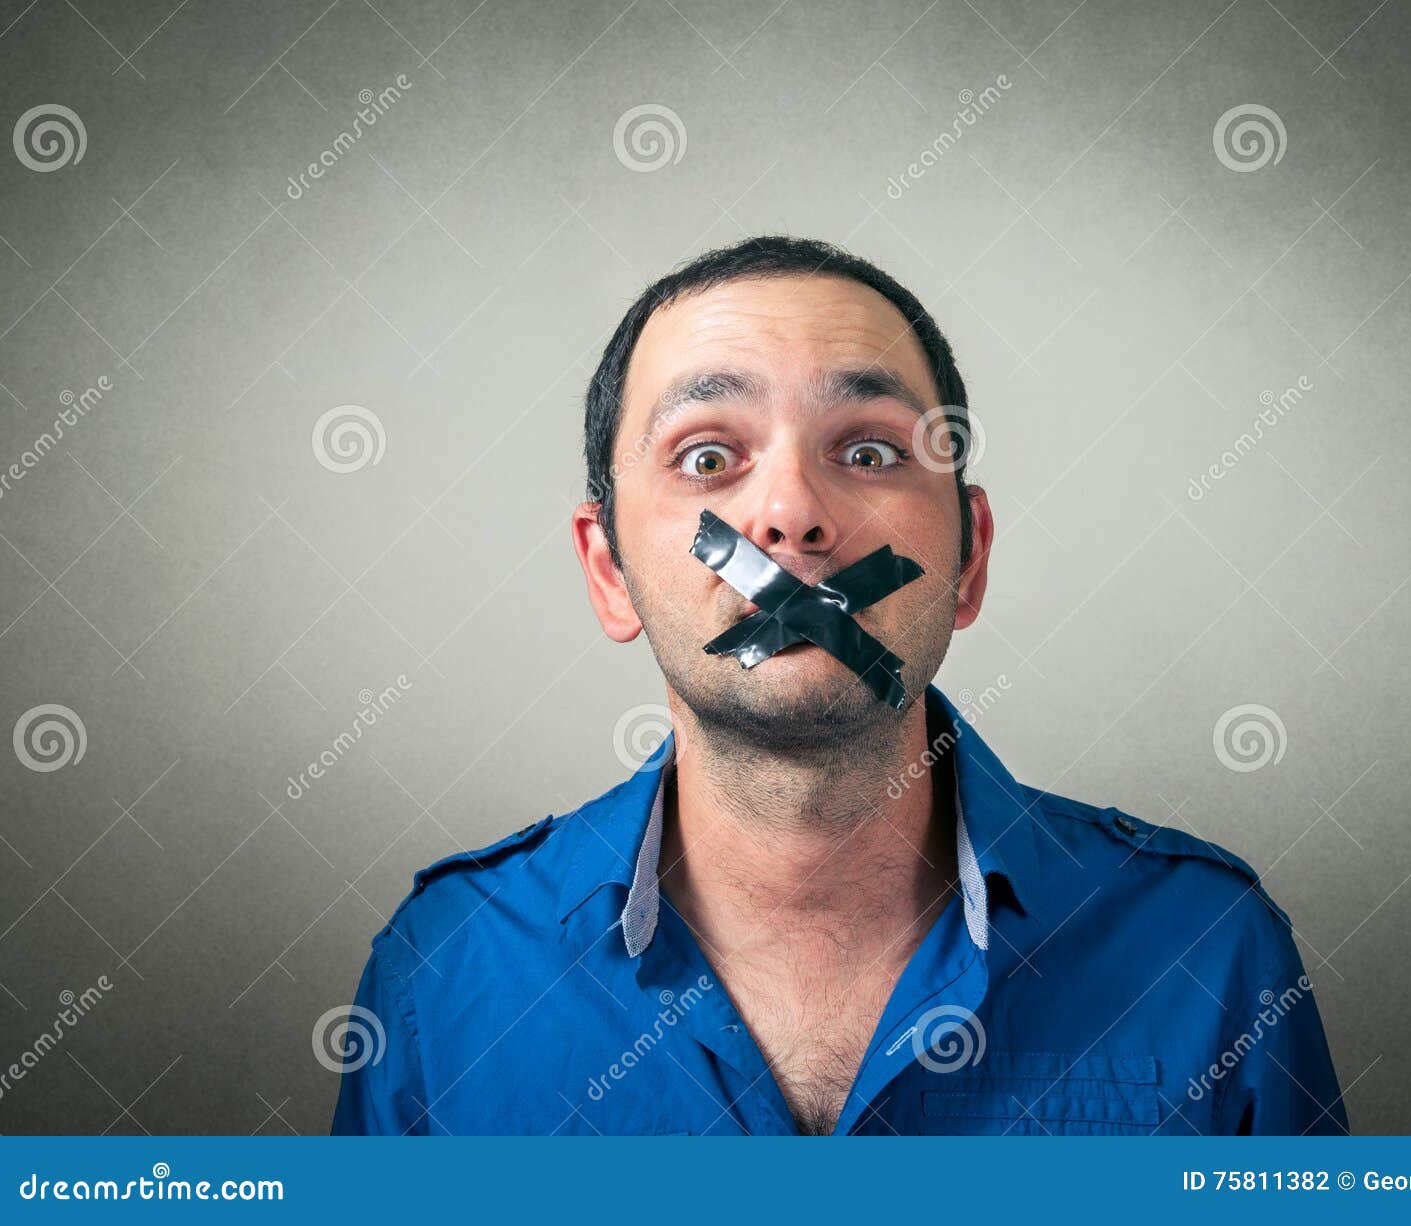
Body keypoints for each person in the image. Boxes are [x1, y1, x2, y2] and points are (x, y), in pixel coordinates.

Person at [330, 235, 1347, 1136]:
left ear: (969, 557)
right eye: (709, 454)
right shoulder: (449, 971)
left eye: (866, 450)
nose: (789, 515)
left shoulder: (1206, 954)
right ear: (609, 571)